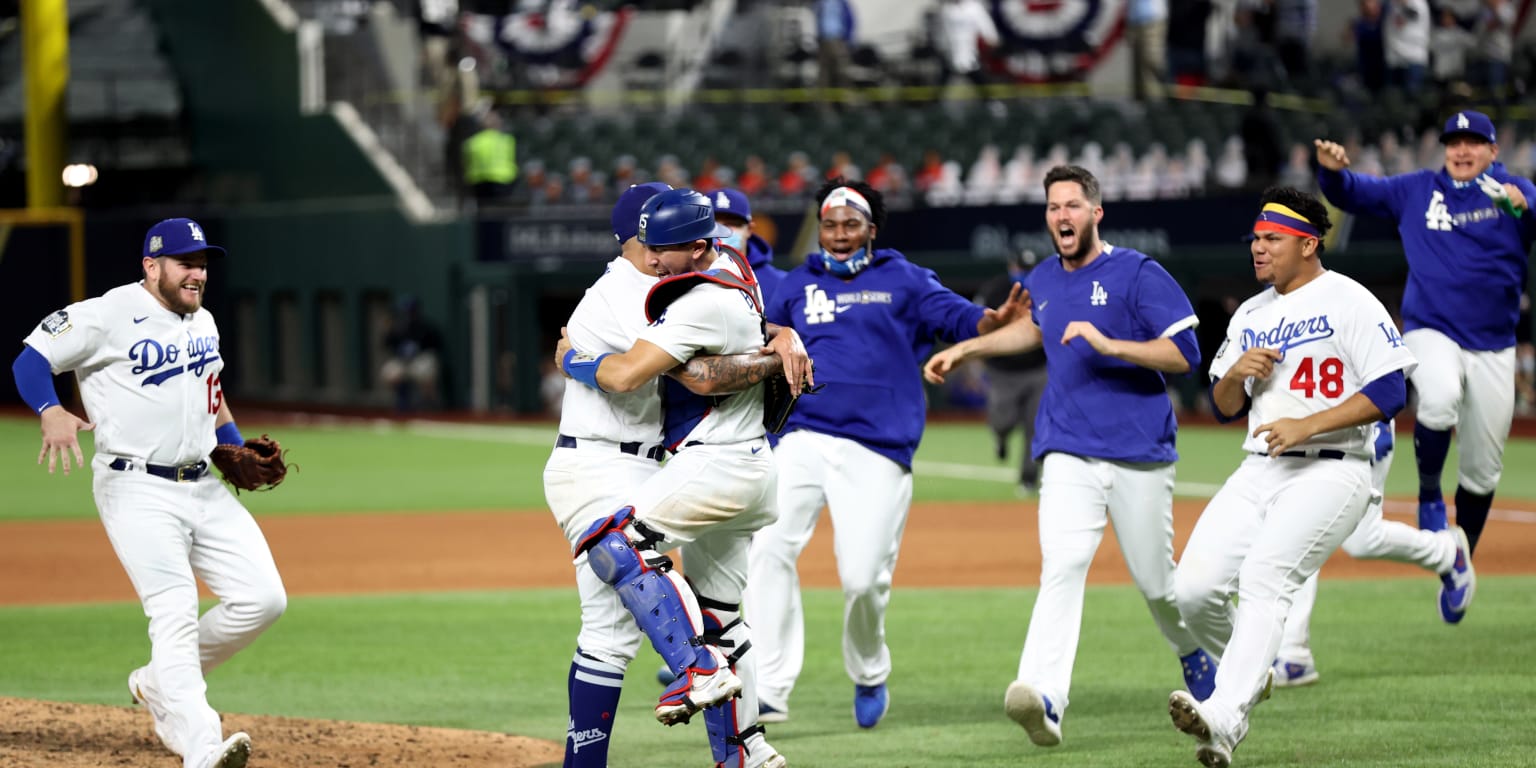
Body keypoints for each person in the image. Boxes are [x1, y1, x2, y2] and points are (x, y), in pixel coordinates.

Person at [923, 165, 1213, 748]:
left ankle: (1193, 650)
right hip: (1067, 450)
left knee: (1159, 585)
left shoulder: (1136, 272)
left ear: (1096, 212)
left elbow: (1186, 352)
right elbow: (1036, 329)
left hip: (1138, 452)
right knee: (1062, 564)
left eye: (1074, 205)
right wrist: (969, 348)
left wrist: (1111, 345)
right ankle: (1044, 694)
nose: (1062, 216)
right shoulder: (1044, 278)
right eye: (1054, 206)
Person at [748, 178, 1027, 729]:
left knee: (861, 578)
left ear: (871, 230)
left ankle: (870, 669)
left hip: (877, 446)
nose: (840, 235)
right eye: (830, 225)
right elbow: (760, 332)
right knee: (768, 548)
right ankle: (771, 685)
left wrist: (986, 322)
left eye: (851, 225)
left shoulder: (904, 279)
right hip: (803, 435)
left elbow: (955, 315)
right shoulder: (796, 284)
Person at [10, 218, 287, 768]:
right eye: (186, 262)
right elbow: (31, 359)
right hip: (135, 487)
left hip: (202, 484)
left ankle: (161, 683)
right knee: (174, 612)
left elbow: (212, 392)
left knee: (263, 600)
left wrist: (233, 447)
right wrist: (50, 411)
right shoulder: (105, 315)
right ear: (151, 266)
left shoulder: (203, 320)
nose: (198, 273)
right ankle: (201, 743)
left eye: (204, 263)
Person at [554, 188, 809, 768]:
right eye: (649, 243)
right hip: (658, 460)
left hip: (710, 461)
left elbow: (664, 375)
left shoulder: (686, 294)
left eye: (664, 245)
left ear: (697, 245)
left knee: (616, 548)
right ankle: (747, 752)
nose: (656, 255)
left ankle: (696, 668)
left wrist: (569, 358)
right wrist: (784, 339)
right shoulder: (723, 266)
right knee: (716, 614)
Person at [1168, 188, 1423, 767]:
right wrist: (1236, 371)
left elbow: (1389, 392)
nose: (1259, 249)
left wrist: (1308, 424)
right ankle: (1249, 674)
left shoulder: (1349, 300)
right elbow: (1224, 405)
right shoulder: (1251, 313)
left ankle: (1226, 716)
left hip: (1335, 471)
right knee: (1192, 588)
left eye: (1272, 239)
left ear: (1308, 244)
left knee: (1265, 577)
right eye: (1256, 239)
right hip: (1259, 467)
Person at [1315, 111, 1534, 583]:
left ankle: (1459, 561)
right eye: (1454, 142)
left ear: (1493, 152)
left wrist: (1526, 208)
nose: (1461, 150)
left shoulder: (1515, 193)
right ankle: (1430, 495)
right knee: (1436, 397)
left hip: (1495, 345)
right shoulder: (1416, 189)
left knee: (1483, 472)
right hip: (1430, 328)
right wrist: (1331, 172)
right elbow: (1354, 193)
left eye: (1473, 142)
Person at [1272, 417, 1475, 687]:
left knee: (1349, 536)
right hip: (1311, 426)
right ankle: (1293, 653)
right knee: (1320, 530)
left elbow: (1389, 374)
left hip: (1357, 429)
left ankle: (1447, 552)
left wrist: (1379, 419)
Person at [974, 249, 1047, 493]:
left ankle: (1028, 479)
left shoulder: (1047, 288)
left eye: (1029, 270)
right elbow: (977, 323)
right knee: (1002, 421)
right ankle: (1001, 437)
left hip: (1038, 370)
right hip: (1002, 371)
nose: (1024, 274)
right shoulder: (995, 290)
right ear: (1011, 266)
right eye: (1021, 269)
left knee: (1035, 426)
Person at [712, 188, 786, 305]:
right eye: (713, 224)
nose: (722, 230)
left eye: (731, 223)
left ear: (749, 229)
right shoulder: (684, 279)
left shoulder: (782, 283)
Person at [379, 296, 444, 412]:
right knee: (391, 371)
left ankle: (428, 403)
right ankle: (402, 399)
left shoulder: (426, 327)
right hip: (403, 362)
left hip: (420, 360)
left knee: (426, 369)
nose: (407, 314)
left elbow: (436, 347)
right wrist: (387, 329)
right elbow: (386, 344)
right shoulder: (397, 328)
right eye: (405, 311)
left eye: (410, 311)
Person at [463, 109, 518, 206]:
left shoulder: (473, 142)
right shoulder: (506, 140)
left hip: (479, 181)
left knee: (483, 211)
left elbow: (467, 162)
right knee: (500, 212)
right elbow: (513, 160)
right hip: (502, 180)